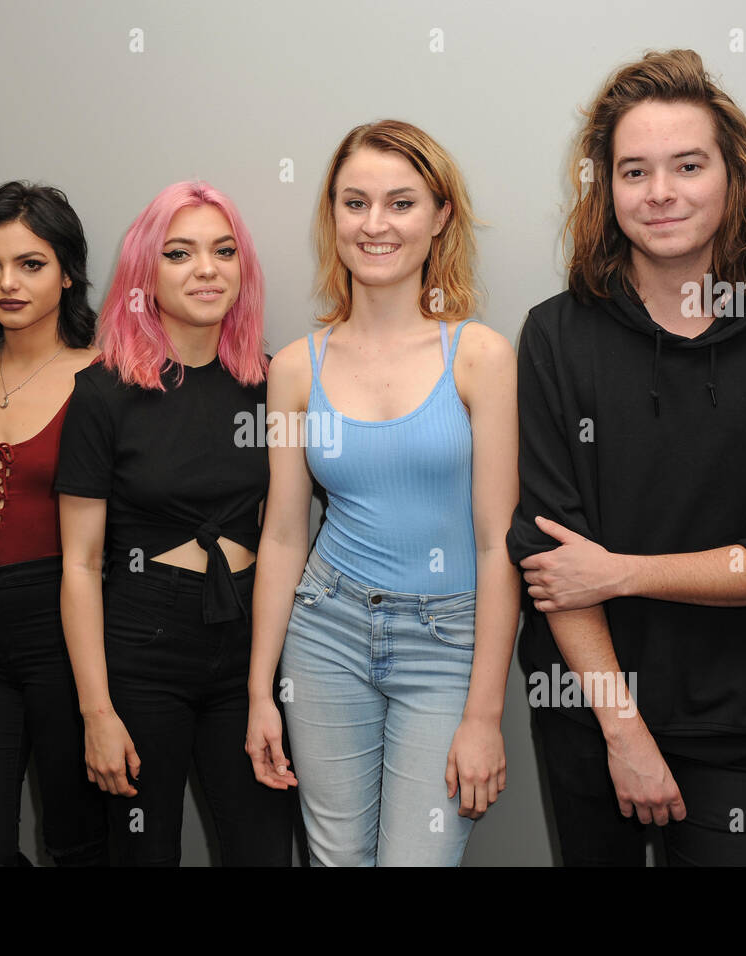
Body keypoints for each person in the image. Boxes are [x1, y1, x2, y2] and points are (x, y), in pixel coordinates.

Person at [506, 49, 746, 866]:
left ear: (734, 174)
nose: (660, 192)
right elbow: (549, 558)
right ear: (606, 188)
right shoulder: (557, 338)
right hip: (590, 715)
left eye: (687, 165)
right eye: (634, 170)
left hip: (740, 723)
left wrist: (626, 570)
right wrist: (623, 730)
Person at [247, 120, 520, 866]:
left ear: (439, 218)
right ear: (331, 217)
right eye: (354, 202)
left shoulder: (482, 358)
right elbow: (282, 535)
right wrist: (259, 693)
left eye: (400, 203)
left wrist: (485, 715)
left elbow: (501, 544)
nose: (375, 224)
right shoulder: (296, 369)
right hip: (324, 633)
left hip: (447, 644)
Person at [55, 181, 294, 866]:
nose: (207, 269)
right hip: (141, 647)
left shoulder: (273, 383)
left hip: (248, 641)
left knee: (262, 850)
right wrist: (96, 713)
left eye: (224, 251)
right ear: (144, 275)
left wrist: (265, 682)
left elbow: (283, 532)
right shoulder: (103, 393)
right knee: (141, 851)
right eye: (180, 253)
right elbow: (79, 564)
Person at [0, 181, 108, 866]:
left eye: (31, 264)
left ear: (68, 272)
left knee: (78, 840)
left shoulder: (106, 378)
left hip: (66, 634)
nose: (6, 283)